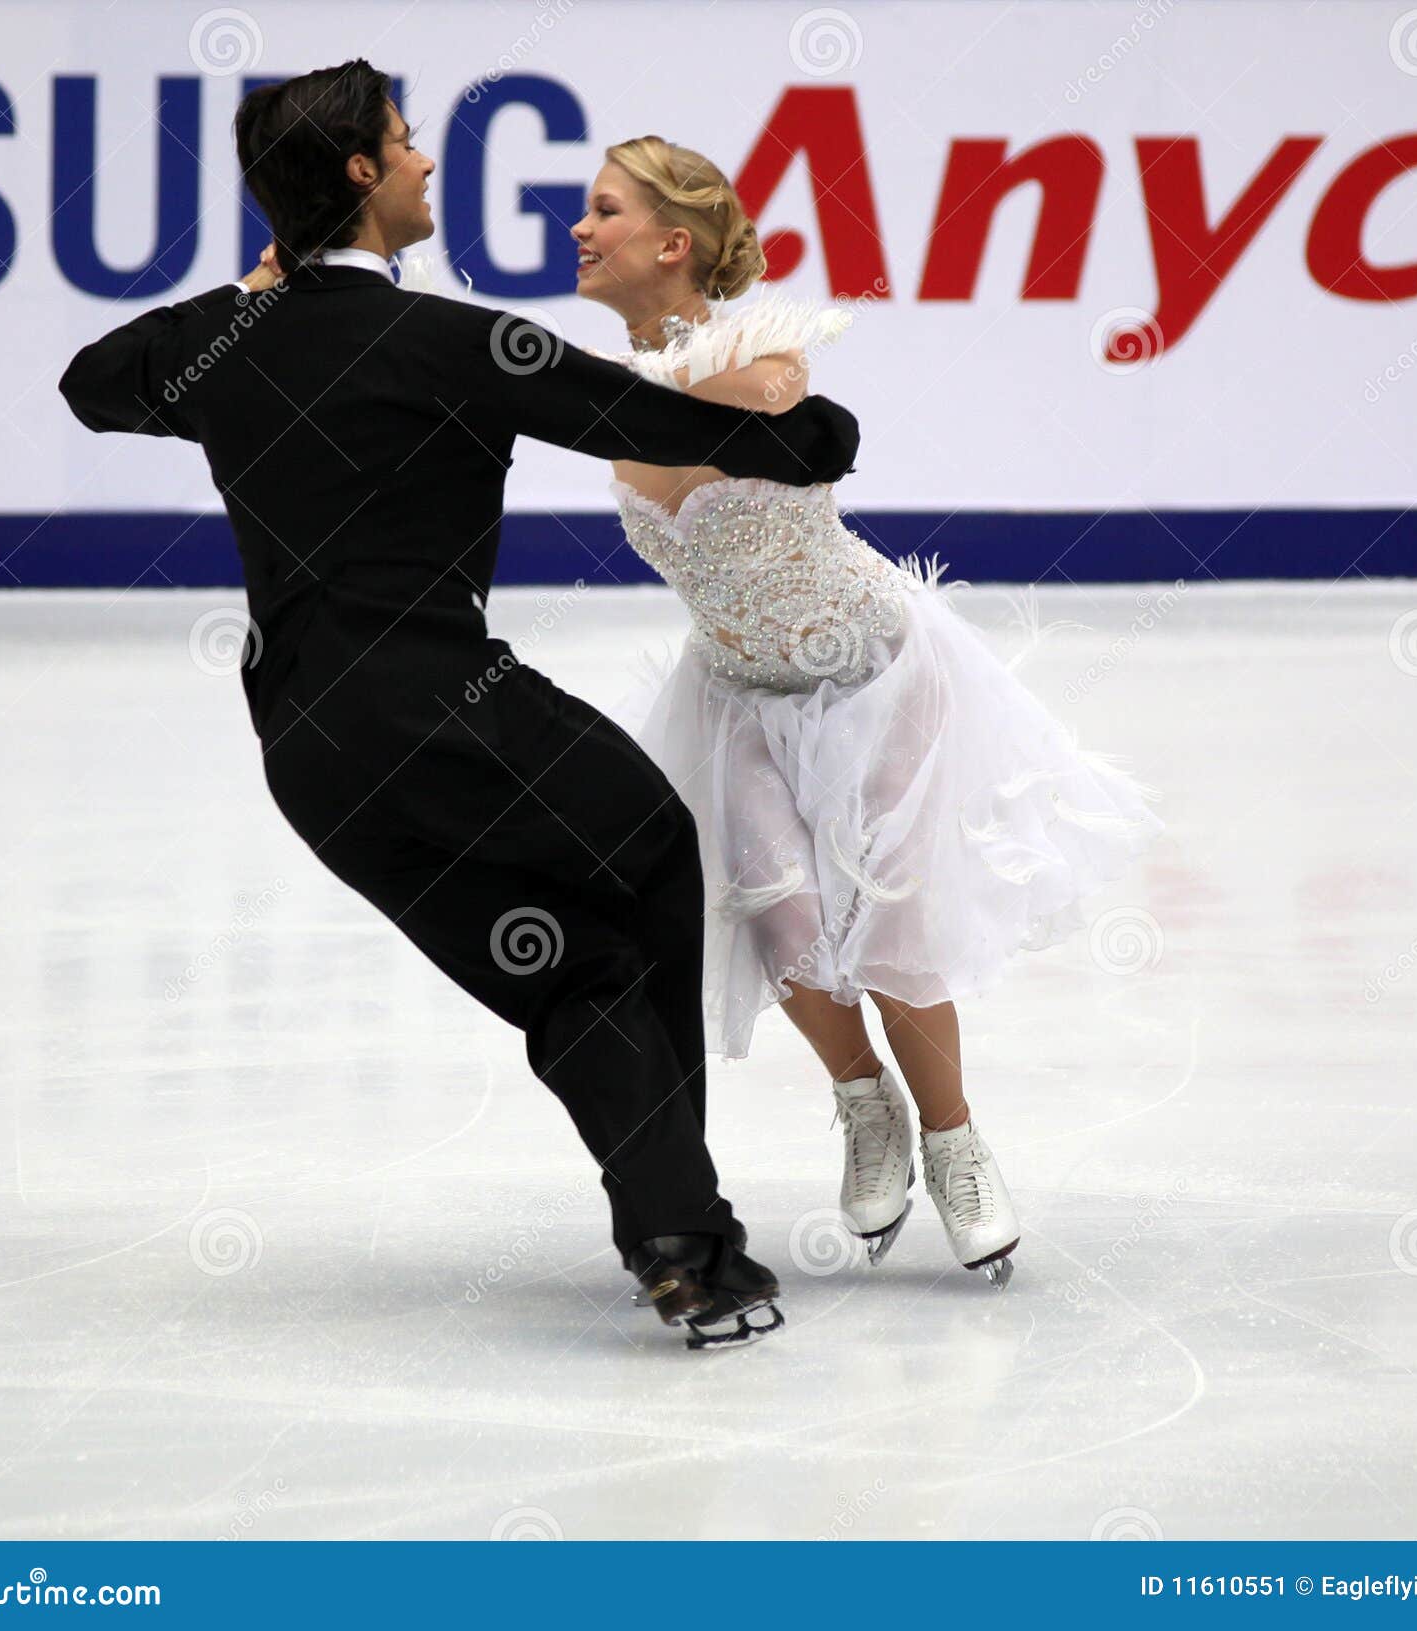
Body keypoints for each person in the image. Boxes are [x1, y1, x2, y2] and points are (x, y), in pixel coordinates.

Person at [56, 62, 864, 1349]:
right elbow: (631, 409)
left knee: (573, 963)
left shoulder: (218, 347)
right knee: (654, 850)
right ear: (365, 175)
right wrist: (825, 440)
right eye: (405, 143)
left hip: (314, 760)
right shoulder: (449, 340)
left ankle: (679, 1242)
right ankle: (678, 1222)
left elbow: (92, 379)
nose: (429, 161)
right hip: (448, 707)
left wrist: (254, 293)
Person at [569, 136, 1166, 1287]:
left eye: (603, 211)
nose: (580, 231)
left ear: (672, 243)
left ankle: (955, 1141)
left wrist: (633, 393)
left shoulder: (760, 336)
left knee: (891, 927)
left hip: (876, 671)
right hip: (740, 691)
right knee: (779, 920)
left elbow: (780, 405)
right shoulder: (608, 386)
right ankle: (866, 1106)